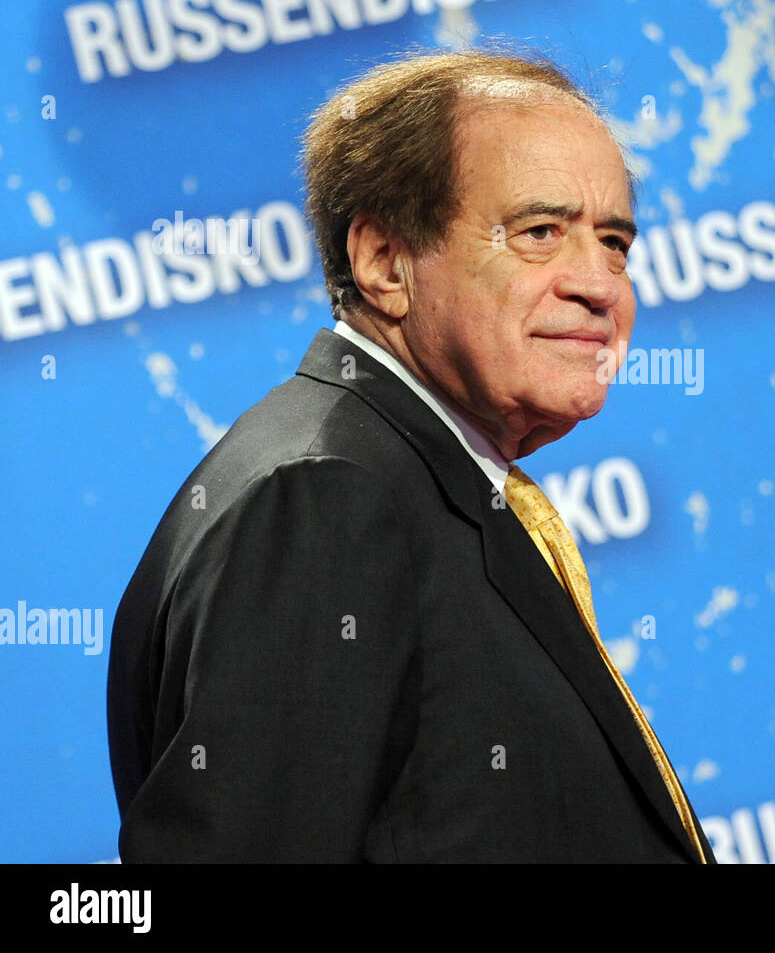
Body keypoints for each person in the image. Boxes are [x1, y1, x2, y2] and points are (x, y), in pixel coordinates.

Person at [106, 48, 716, 864]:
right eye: (541, 232)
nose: (600, 284)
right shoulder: (324, 503)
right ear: (386, 263)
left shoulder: (418, 482)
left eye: (614, 243)